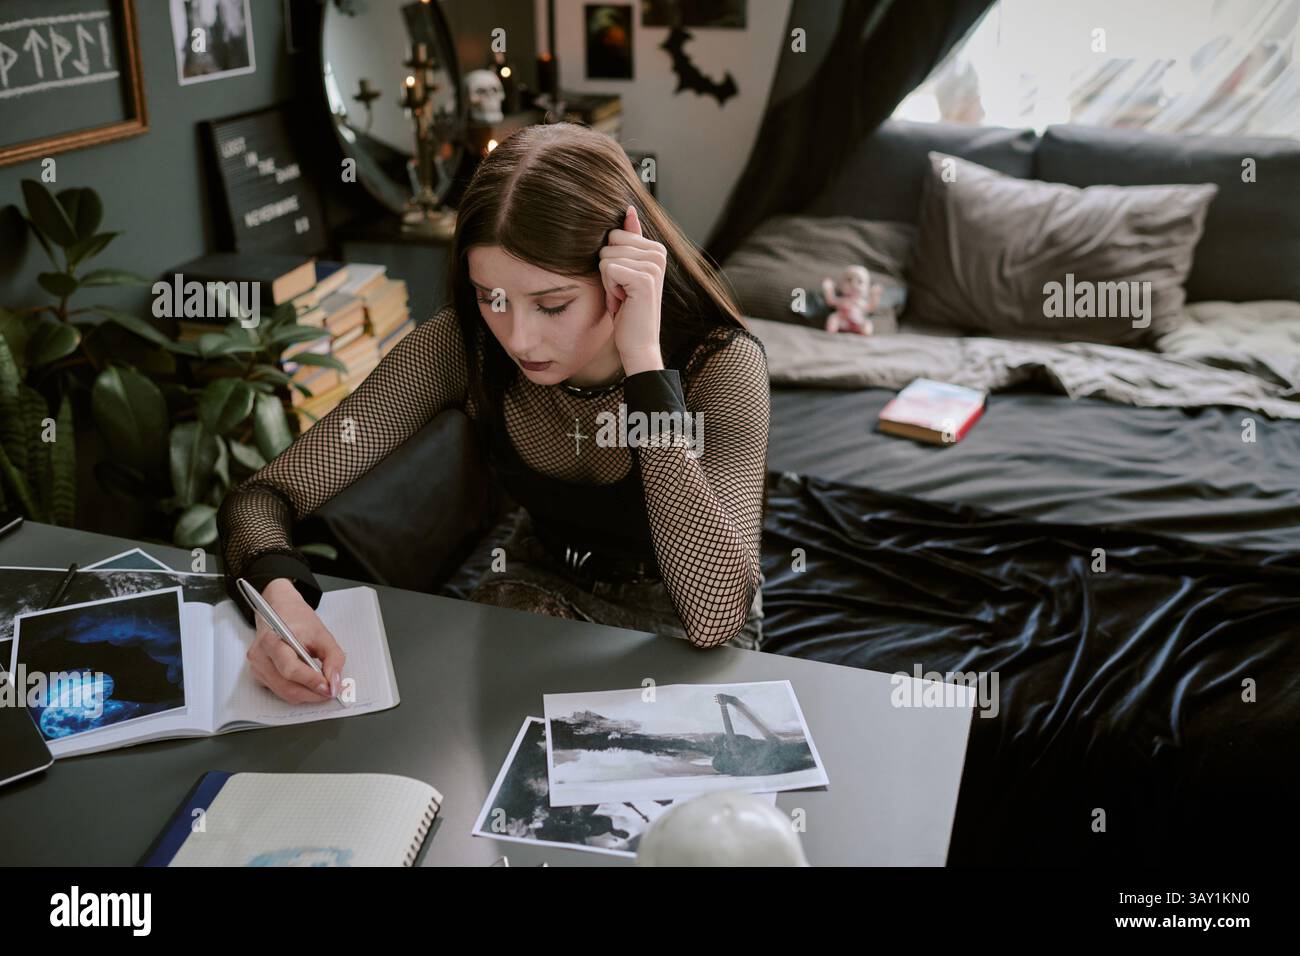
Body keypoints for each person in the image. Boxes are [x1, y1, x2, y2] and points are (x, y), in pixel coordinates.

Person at [216, 122, 770, 705]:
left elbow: (714, 615)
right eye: (491, 298)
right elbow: (260, 498)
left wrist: (644, 366)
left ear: (623, 277)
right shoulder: (465, 345)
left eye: (552, 305)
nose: (519, 338)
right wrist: (278, 601)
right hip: (539, 585)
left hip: (685, 610)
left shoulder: (721, 364)